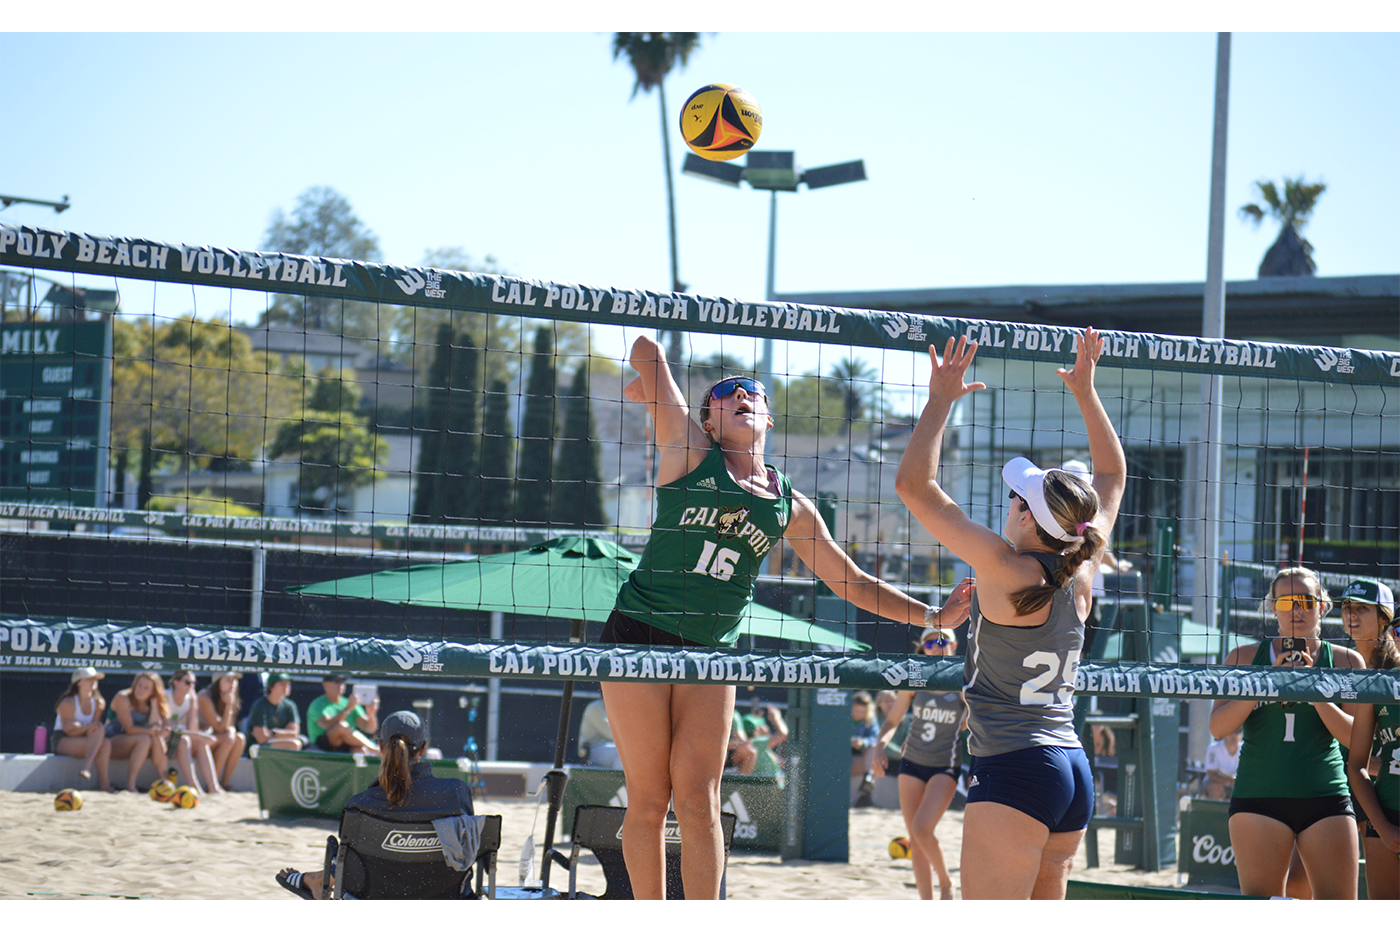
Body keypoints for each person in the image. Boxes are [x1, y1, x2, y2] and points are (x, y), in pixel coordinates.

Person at [600, 333, 949, 900]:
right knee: (649, 798)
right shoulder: (688, 449)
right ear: (708, 419)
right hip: (640, 631)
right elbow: (644, 343)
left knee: (699, 800)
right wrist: (653, 390)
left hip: (711, 648)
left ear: (768, 417)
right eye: (725, 393)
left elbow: (851, 583)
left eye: (753, 392)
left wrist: (932, 614)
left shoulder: (789, 502)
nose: (741, 394)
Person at [895, 327, 1125, 900]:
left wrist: (940, 400)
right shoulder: (1081, 569)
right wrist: (1087, 392)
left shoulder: (1005, 568)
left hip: (1017, 769)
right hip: (1070, 769)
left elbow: (914, 487)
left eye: (1015, 497)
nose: (1009, 503)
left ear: (1026, 518)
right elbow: (1114, 476)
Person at [1209, 566, 1365, 899]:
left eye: (1305, 601)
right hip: (1258, 797)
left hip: (1325, 796)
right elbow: (1219, 727)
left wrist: (1314, 691)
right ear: (1272, 607)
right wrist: (1265, 683)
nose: (1296, 610)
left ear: (1322, 606)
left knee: (1338, 912)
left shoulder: (1346, 661)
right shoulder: (1244, 657)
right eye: (1285, 602)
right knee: (1265, 911)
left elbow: (1356, 740)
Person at [275, 710, 476, 899]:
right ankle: (319, 878)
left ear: (380, 746)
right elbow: (467, 849)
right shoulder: (456, 793)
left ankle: (320, 879)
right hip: (444, 897)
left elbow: (353, 865)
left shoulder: (360, 805)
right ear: (424, 748)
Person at [872, 625, 967, 899]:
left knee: (923, 829)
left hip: (944, 764)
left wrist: (967, 707)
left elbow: (970, 721)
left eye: (942, 641)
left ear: (954, 645)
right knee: (915, 838)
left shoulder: (963, 677)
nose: (936, 647)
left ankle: (947, 882)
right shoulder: (915, 676)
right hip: (912, 760)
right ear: (922, 649)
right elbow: (892, 720)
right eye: (929, 644)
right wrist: (879, 747)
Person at [1344, 580, 1400, 899]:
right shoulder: (1353, 666)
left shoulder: (1386, 670)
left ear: (1384, 619)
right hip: (1379, 803)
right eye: (1347, 608)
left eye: (1361, 608)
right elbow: (1358, 760)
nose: (1351, 615)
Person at [110, 672, 185, 792]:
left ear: (153, 692)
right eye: (139, 685)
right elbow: (129, 729)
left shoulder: (156, 701)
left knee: (156, 739)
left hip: (143, 743)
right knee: (146, 738)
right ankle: (130, 784)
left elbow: (161, 728)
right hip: (114, 739)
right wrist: (155, 732)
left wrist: (154, 705)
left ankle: (164, 782)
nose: (140, 690)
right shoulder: (123, 697)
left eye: (146, 688)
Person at [52, 666, 114, 792]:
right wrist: (86, 727)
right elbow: (68, 730)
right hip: (63, 739)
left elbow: (93, 729)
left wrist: (85, 728)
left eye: (95, 679)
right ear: (78, 682)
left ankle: (103, 783)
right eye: (88, 679)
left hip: (85, 739)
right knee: (102, 741)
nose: (93, 681)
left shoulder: (99, 702)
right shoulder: (68, 702)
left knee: (105, 741)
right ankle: (88, 768)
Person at [167, 668, 223, 794]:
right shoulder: (166, 697)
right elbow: (167, 730)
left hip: (179, 741)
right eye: (188, 682)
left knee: (200, 743)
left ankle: (213, 787)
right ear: (175, 682)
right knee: (186, 740)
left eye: (193, 683)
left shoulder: (190, 699)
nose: (191, 686)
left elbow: (192, 730)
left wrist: (194, 704)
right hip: (163, 743)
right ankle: (194, 786)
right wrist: (199, 735)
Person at [197, 671, 247, 789]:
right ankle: (213, 785)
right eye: (228, 680)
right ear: (217, 682)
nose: (233, 684)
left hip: (214, 738)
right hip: (199, 740)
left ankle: (224, 783)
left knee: (239, 739)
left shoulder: (230, 696)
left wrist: (230, 704)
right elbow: (220, 728)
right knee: (228, 738)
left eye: (235, 680)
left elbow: (228, 726)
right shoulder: (204, 696)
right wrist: (229, 705)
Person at [307, 673, 379, 755]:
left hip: (345, 745)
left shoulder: (349, 703)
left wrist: (371, 714)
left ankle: (370, 758)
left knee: (360, 751)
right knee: (341, 726)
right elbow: (327, 725)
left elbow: (369, 729)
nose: (340, 684)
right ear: (325, 685)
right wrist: (347, 709)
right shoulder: (317, 704)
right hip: (321, 745)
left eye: (343, 681)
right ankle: (376, 750)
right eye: (336, 681)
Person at [247, 672, 306, 751]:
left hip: (275, 743)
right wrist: (285, 733)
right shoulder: (260, 706)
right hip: (258, 749)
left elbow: (294, 733)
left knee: (299, 742)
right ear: (271, 687)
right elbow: (261, 738)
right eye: (282, 683)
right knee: (293, 744)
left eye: (288, 683)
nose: (286, 687)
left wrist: (273, 732)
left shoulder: (290, 705)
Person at [850, 691, 880, 805]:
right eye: (856, 711)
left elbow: (875, 738)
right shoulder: (843, 717)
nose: (859, 714)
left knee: (873, 748)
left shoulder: (870, 720)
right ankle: (867, 783)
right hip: (846, 755)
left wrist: (863, 742)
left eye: (863, 712)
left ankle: (867, 781)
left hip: (862, 756)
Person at [578, 697, 619, 769]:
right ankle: (620, 780)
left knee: (632, 752)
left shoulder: (620, 707)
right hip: (592, 750)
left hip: (612, 747)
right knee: (623, 754)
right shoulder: (595, 707)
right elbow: (612, 735)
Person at [1203, 729, 1241, 800]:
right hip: (1217, 782)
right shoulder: (1213, 748)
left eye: (1237, 732)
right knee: (1215, 787)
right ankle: (1214, 810)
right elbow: (1212, 775)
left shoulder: (1246, 748)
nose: (1234, 736)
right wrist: (1229, 781)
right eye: (1230, 732)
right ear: (1223, 735)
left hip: (1238, 782)